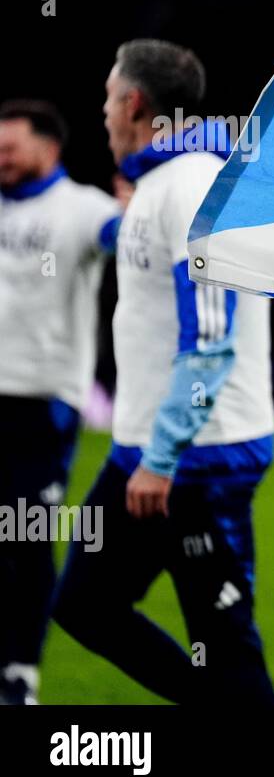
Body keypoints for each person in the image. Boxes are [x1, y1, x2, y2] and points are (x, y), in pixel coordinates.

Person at [51, 40, 274, 703]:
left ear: (133, 102)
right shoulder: (164, 184)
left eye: (106, 98)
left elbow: (209, 335)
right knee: (85, 603)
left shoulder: (194, 185)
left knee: (227, 643)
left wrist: (163, 453)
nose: (102, 113)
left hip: (196, 459)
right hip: (146, 452)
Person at [0, 99, 120, 705]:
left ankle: (20, 668)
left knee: (24, 539)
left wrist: (143, 210)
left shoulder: (81, 208)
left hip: (42, 406)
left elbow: (127, 236)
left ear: (48, 147)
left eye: (9, 148)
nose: (1, 158)